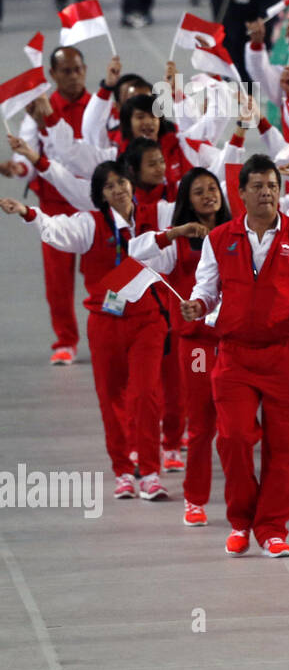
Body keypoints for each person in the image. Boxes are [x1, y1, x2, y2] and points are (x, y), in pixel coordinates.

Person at [182, 154, 289, 557]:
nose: (267, 192)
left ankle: (272, 529)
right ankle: (241, 520)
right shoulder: (220, 238)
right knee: (234, 438)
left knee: (284, 447)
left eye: (273, 185)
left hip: (285, 354)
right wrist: (198, 306)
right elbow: (207, 287)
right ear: (241, 194)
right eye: (257, 186)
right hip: (234, 356)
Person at [2, 152, 171, 500]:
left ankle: (151, 472)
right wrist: (28, 212)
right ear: (100, 195)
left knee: (145, 394)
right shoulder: (89, 224)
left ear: (132, 185)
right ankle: (124, 470)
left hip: (148, 322)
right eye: (109, 187)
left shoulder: (153, 218)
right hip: (106, 322)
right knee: (112, 398)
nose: (118, 190)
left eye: (122, 182)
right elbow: (57, 231)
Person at [128, 167, 232, 526]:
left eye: (213, 189)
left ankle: (245, 496)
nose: (209, 196)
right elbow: (134, 251)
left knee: (241, 428)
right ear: (186, 201)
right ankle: (195, 498)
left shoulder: (237, 234)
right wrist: (176, 233)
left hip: (236, 345)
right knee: (203, 423)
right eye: (199, 191)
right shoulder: (179, 245)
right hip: (199, 347)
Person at [1, 46, 91, 364]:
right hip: (54, 208)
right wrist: (17, 168)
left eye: (78, 69)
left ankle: (118, 330)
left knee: (108, 276)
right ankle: (65, 341)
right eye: (66, 71)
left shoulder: (98, 107)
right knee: (58, 282)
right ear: (52, 75)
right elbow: (26, 154)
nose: (74, 76)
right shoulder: (39, 109)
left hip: (94, 207)